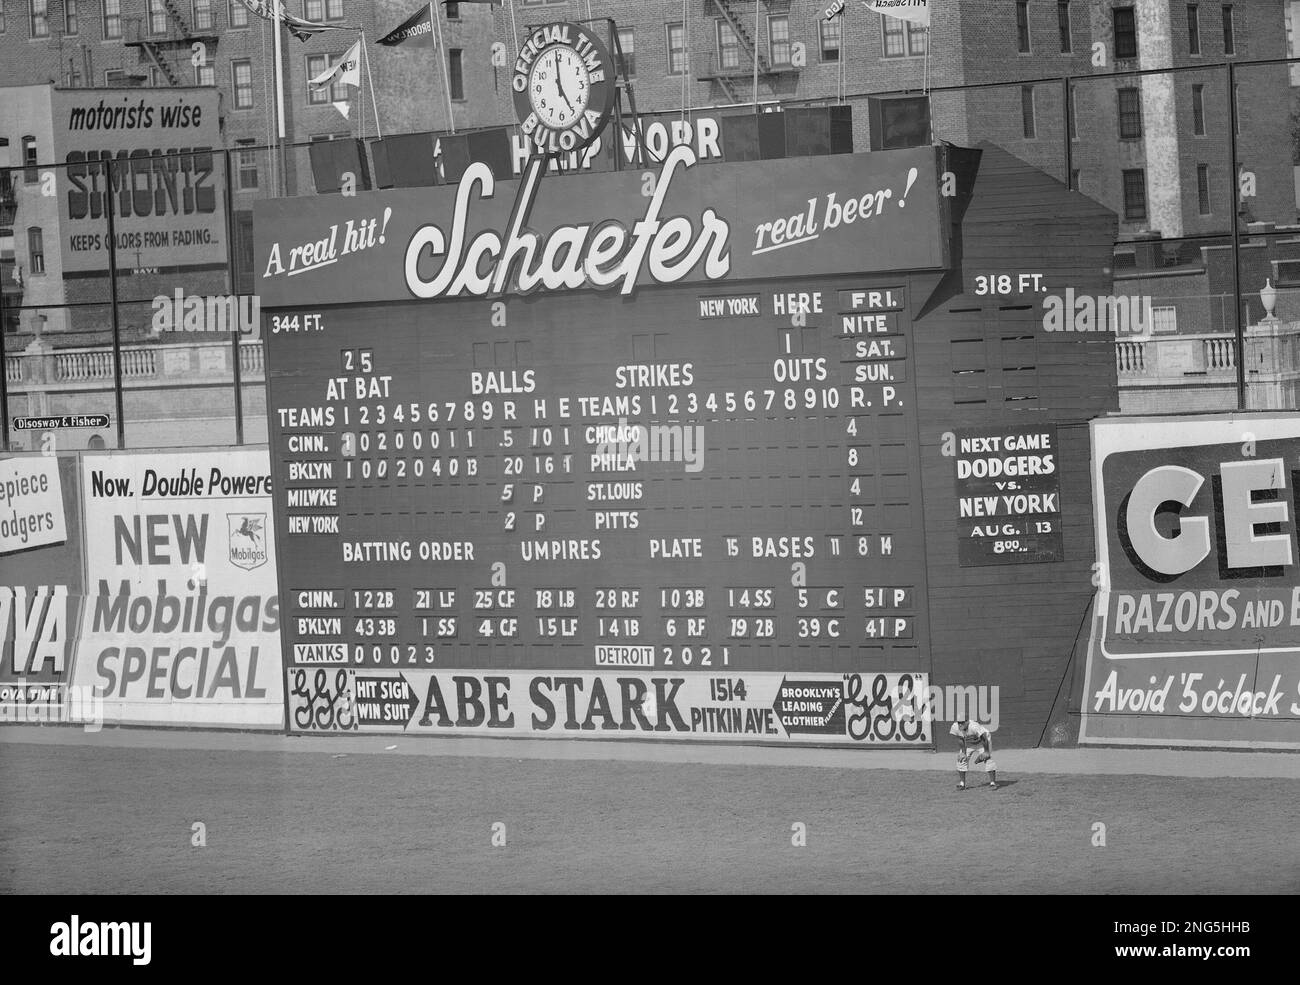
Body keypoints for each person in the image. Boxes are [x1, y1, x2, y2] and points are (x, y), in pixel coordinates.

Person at [951, 718, 998, 790]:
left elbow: (984, 737)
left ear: (967, 721)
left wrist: (986, 752)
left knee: (988, 759)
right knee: (961, 759)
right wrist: (963, 753)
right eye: (959, 722)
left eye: (962, 722)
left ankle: (992, 783)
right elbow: (960, 739)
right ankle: (962, 784)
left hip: (982, 742)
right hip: (969, 743)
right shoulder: (955, 727)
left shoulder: (974, 726)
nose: (960, 724)